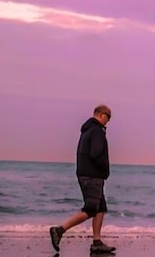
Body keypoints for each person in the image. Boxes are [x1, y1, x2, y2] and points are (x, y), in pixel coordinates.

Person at [50, 105, 116, 253]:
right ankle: (59, 230)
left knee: (100, 208)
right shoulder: (97, 130)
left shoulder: (87, 130)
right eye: (109, 117)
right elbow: (96, 154)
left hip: (87, 174)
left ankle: (97, 242)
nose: (109, 121)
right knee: (91, 209)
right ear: (101, 115)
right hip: (92, 176)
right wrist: (104, 169)